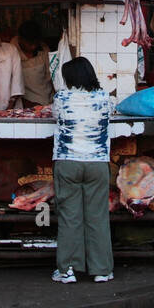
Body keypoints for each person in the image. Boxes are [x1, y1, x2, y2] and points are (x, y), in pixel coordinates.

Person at [50, 57, 115, 284]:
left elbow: (56, 117)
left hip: (68, 161)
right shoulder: (105, 98)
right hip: (97, 163)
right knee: (97, 216)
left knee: (70, 217)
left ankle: (68, 270)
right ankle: (102, 270)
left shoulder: (61, 98)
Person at [16, 20, 54, 108]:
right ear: (20, 39)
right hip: (26, 105)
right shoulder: (12, 52)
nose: (33, 47)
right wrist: (28, 104)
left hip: (47, 101)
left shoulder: (44, 50)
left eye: (35, 43)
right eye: (29, 44)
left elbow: (51, 75)